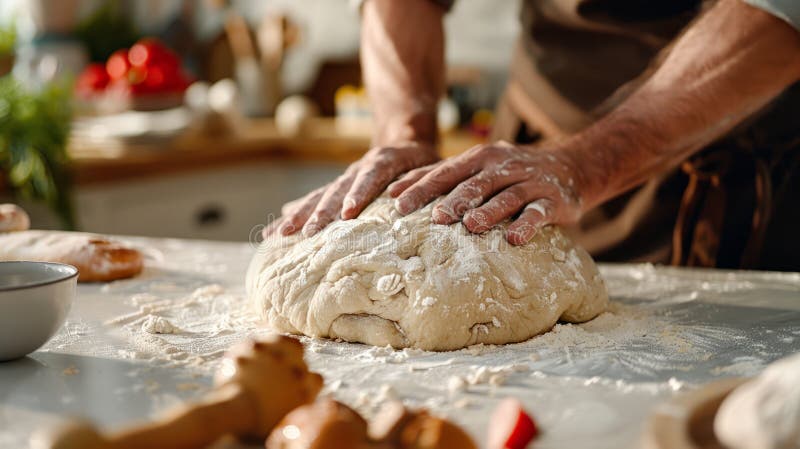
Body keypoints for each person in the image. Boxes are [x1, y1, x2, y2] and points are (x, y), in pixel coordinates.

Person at [267, 0, 800, 271]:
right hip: (526, 152)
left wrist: (586, 165)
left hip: (722, 170)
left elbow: (778, 15)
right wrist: (404, 131)